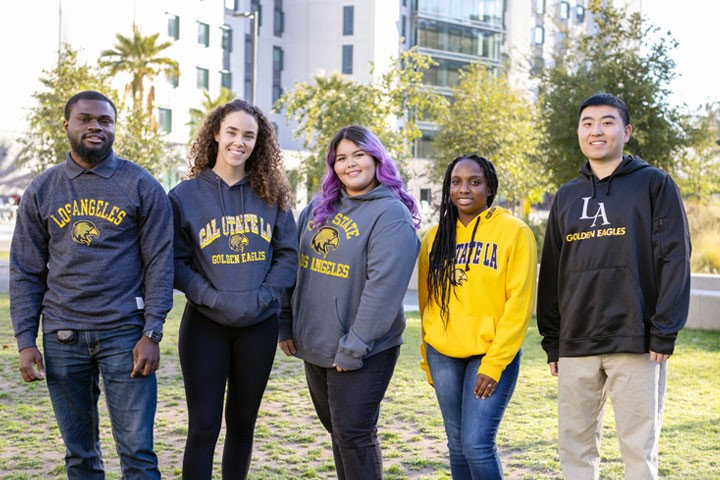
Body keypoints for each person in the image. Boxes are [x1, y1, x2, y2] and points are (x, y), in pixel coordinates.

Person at [9, 90, 174, 479]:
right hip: (63, 336)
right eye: (85, 119)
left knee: (138, 453)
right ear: (67, 125)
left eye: (105, 120)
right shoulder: (43, 189)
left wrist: (152, 330)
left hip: (126, 335)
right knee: (80, 454)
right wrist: (25, 341)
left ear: (114, 127)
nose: (95, 126)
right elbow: (26, 270)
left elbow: (160, 263)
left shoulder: (140, 184)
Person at [537, 93, 691, 480]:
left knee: (638, 451)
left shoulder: (655, 185)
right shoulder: (567, 197)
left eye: (607, 122)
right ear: (578, 132)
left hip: (636, 341)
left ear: (626, 130)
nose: (596, 131)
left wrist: (663, 331)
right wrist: (553, 339)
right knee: (575, 449)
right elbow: (553, 271)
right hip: (576, 344)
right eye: (587, 123)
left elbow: (675, 258)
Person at [278, 125, 421, 479]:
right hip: (316, 345)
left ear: (376, 158)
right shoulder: (317, 207)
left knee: (354, 436)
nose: (350, 164)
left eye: (358, 155)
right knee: (340, 435)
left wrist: (354, 346)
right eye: (341, 158)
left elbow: (383, 290)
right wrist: (285, 322)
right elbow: (291, 267)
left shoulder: (391, 215)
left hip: (362, 349)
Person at [169, 98, 298, 479]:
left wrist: (263, 297)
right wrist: (211, 297)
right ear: (215, 133)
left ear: (259, 143)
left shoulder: (272, 195)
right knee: (204, 427)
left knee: (242, 425)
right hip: (206, 325)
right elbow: (175, 262)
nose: (239, 142)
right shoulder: (185, 195)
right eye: (232, 132)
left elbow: (288, 255)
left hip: (258, 324)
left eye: (249, 135)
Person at [418, 154, 537, 479]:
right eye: (456, 182)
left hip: (490, 354)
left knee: (476, 444)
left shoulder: (514, 232)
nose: (463, 189)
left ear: (489, 187)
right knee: (456, 445)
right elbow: (426, 301)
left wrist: (495, 362)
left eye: (474, 181)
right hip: (443, 355)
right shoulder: (434, 237)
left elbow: (520, 303)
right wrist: (427, 356)